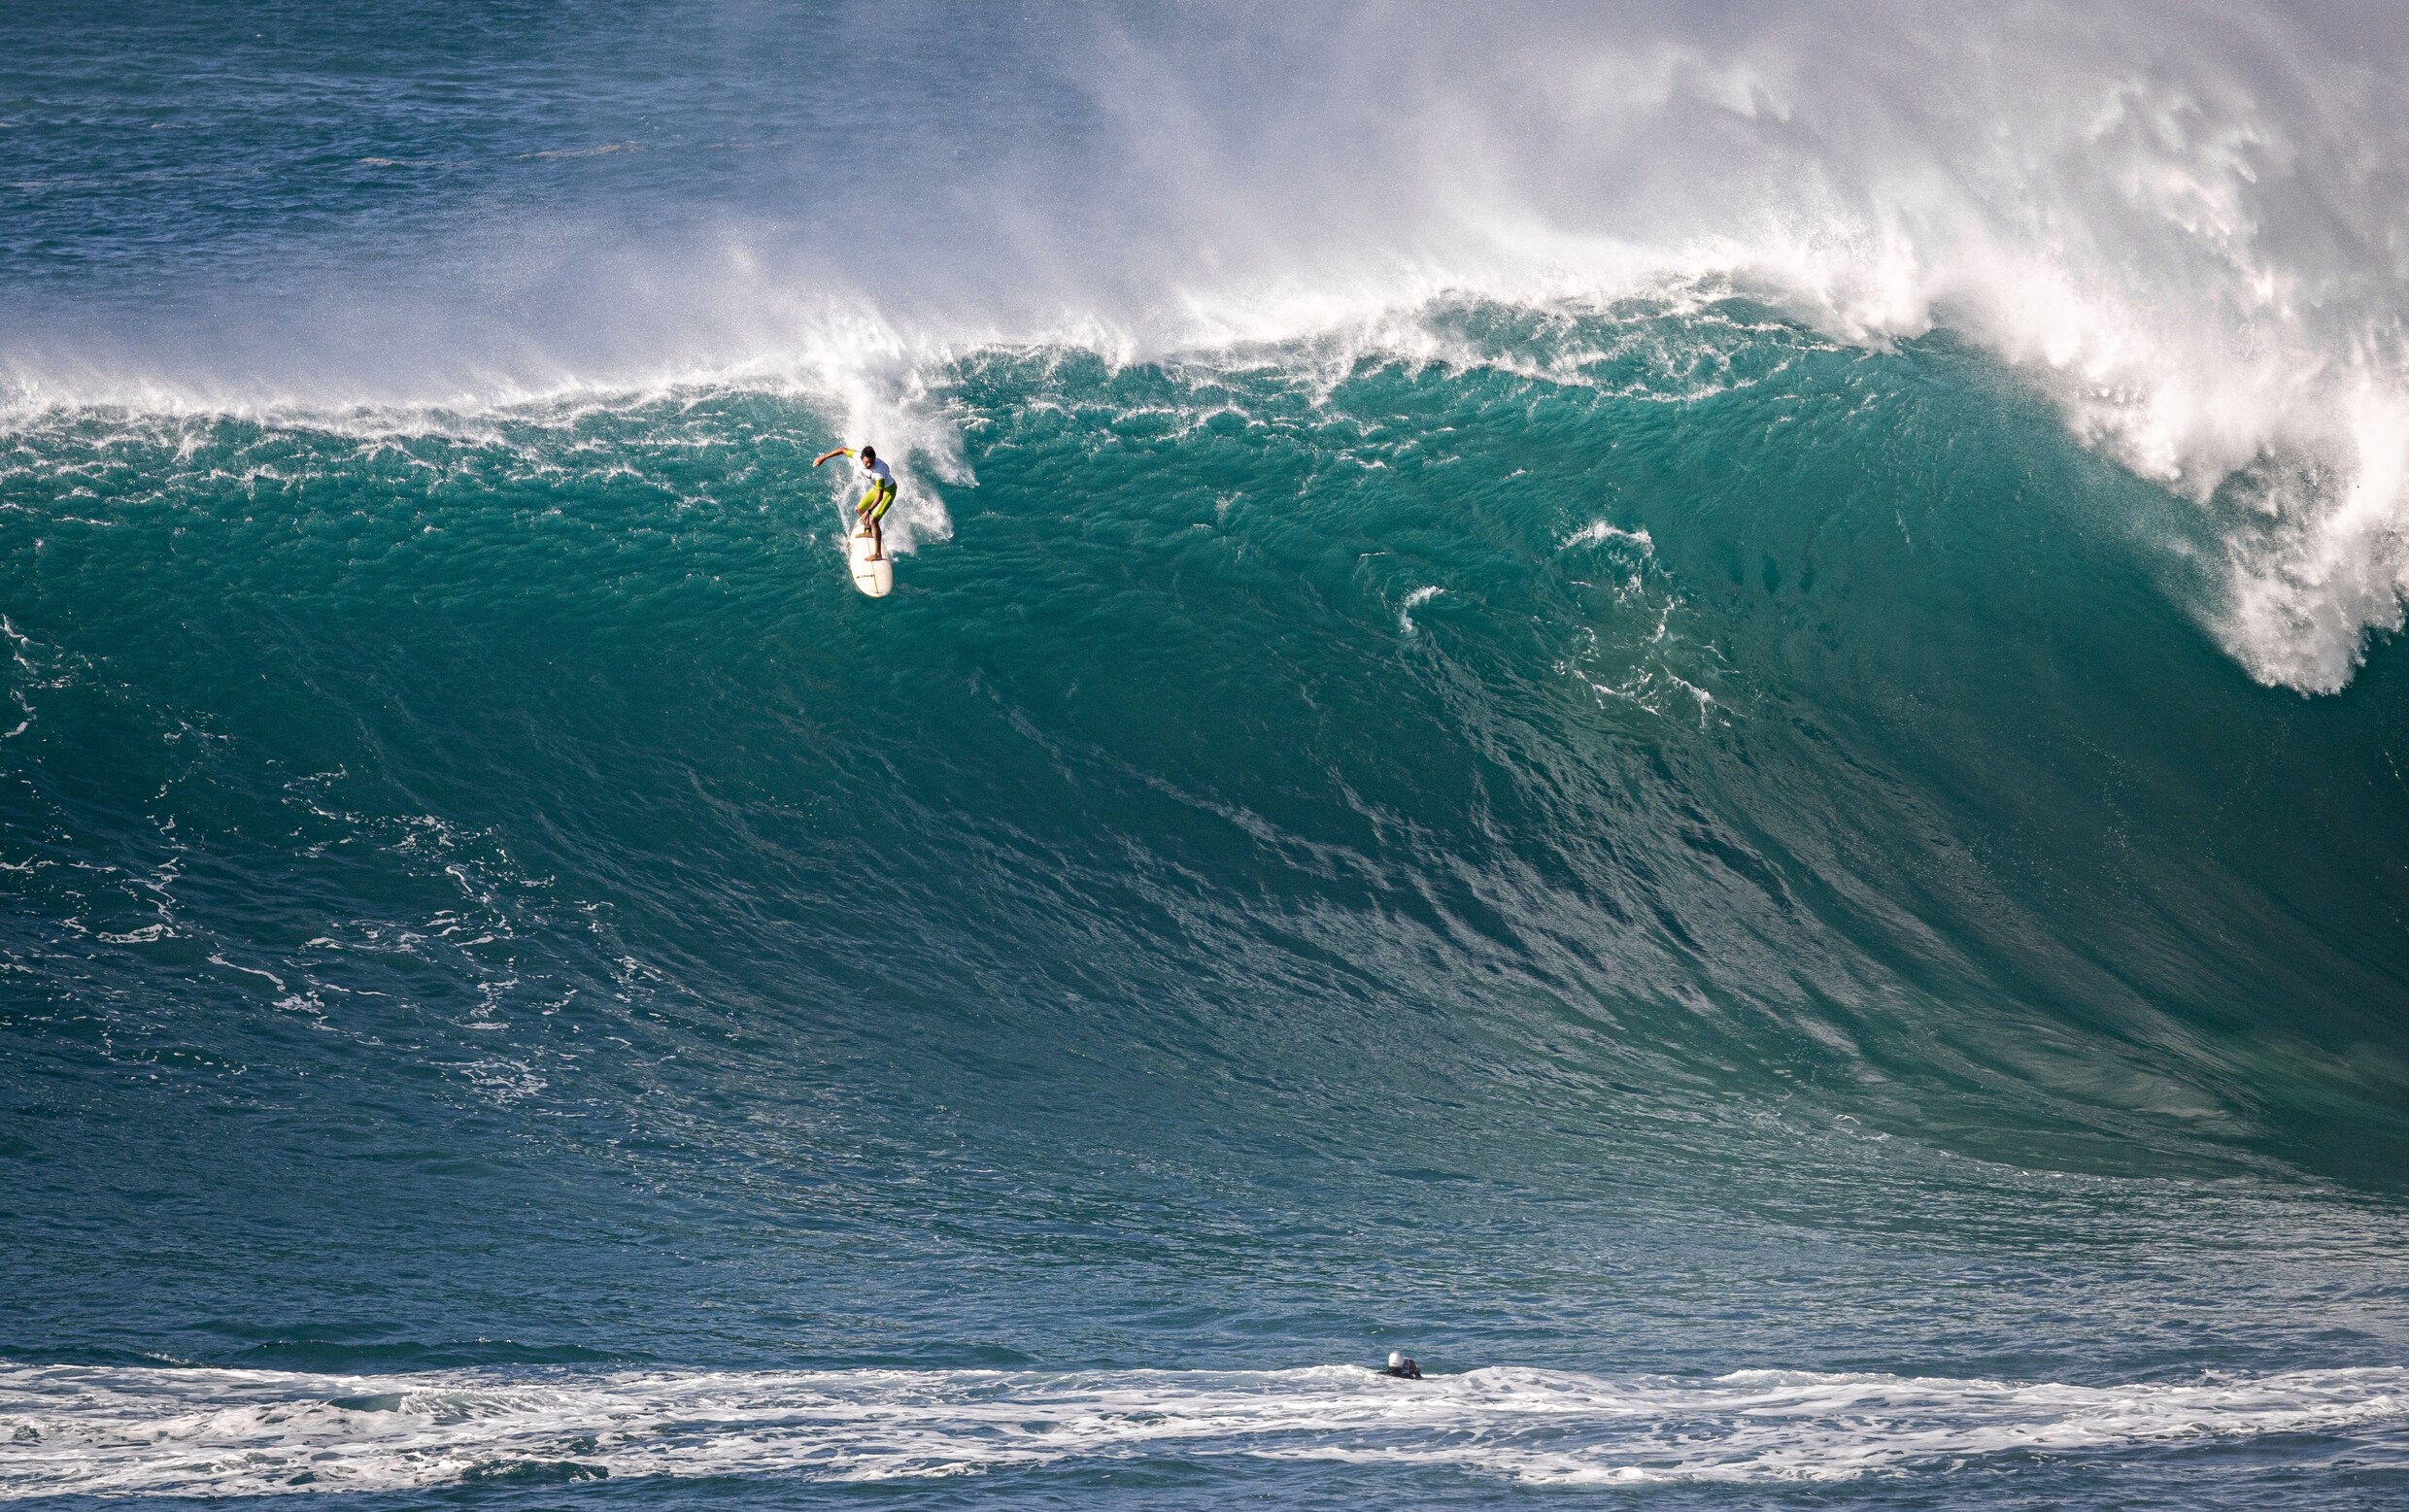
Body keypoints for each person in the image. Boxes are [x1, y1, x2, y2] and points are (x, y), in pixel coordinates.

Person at [812, 443, 897, 562]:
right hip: (875, 488)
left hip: (888, 491)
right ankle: (868, 531)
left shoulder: (878, 473)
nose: (869, 465)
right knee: (858, 509)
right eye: (866, 462)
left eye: (871, 462)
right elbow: (842, 450)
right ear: (861, 458)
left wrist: (869, 511)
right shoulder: (857, 456)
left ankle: (877, 554)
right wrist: (823, 457)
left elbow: (880, 496)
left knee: (873, 520)